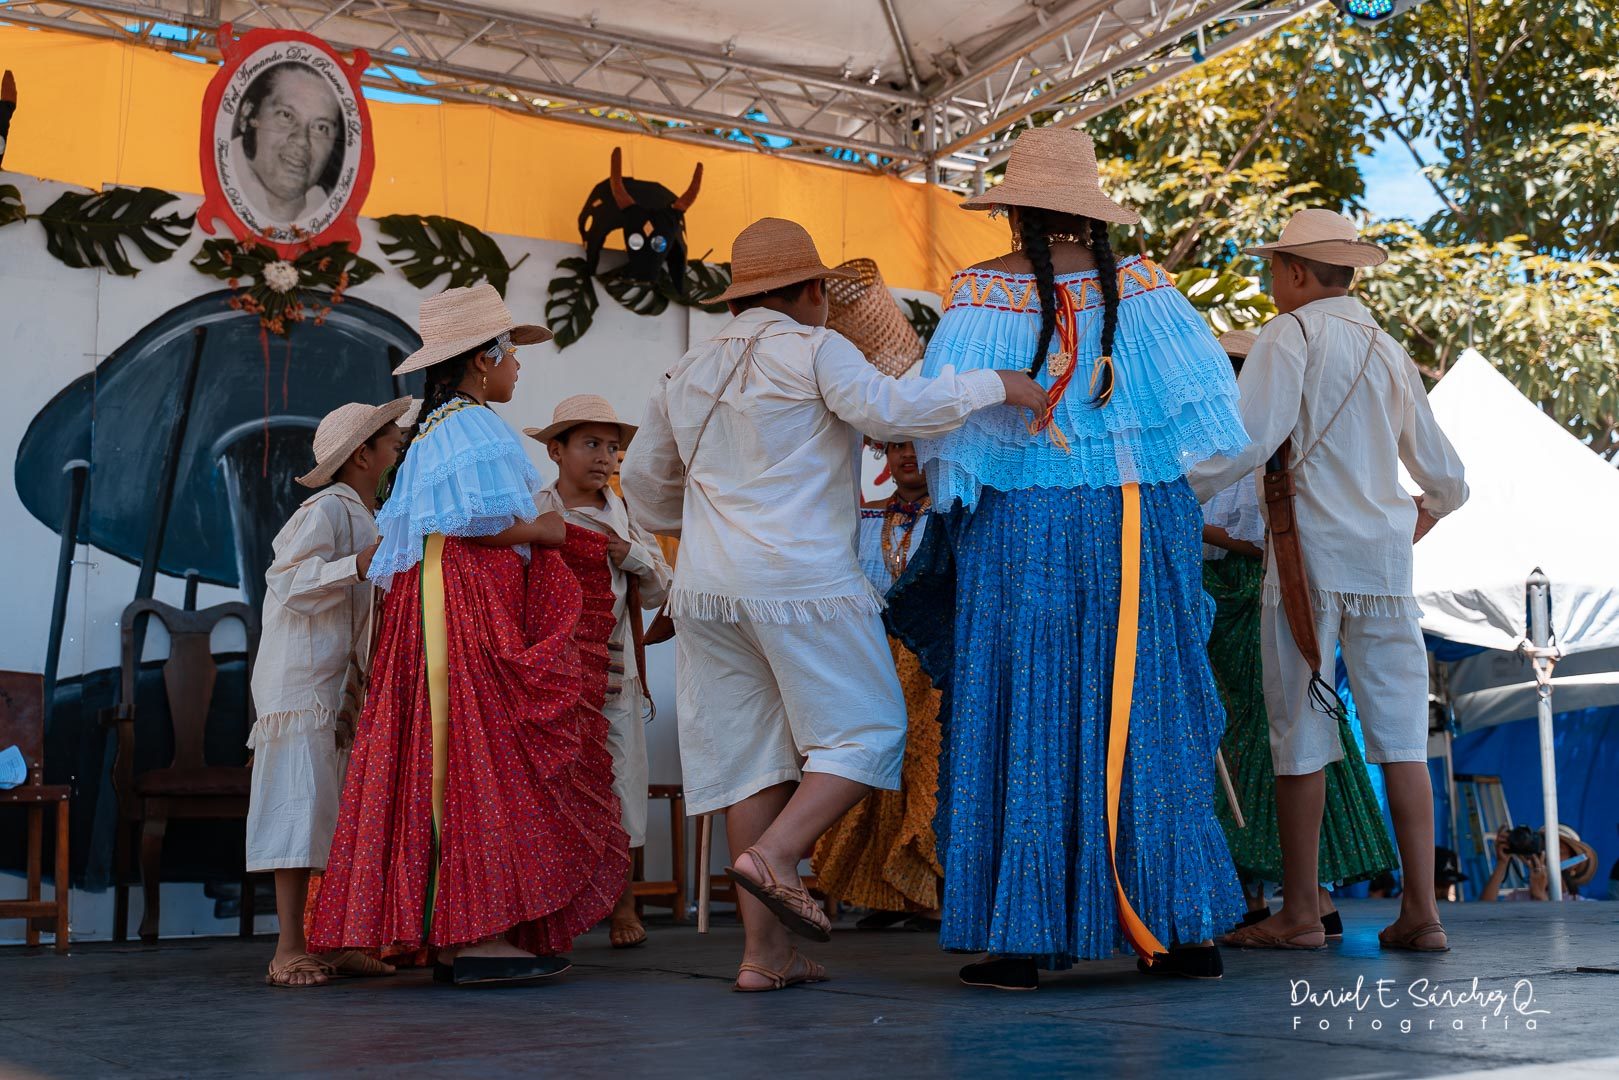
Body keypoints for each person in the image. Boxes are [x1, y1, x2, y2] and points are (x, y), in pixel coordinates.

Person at [620, 217, 1045, 993]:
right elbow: (890, 415)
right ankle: (777, 858)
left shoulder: (682, 371)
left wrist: (721, 519)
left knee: (752, 763)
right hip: (800, 581)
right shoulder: (818, 348)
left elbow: (646, 491)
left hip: (708, 590)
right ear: (812, 292)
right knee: (870, 730)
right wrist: (1000, 385)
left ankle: (763, 958)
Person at [887, 127, 1249, 991]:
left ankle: (1019, 940)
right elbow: (1210, 423)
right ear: (1091, 211)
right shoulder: (1149, 291)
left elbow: (944, 444)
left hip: (1021, 529)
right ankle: (1178, 928)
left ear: (1011, 210)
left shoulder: (980, 297)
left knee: (1024, 709)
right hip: (1137, 518)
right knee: (1150, 708)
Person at [308, 284, 629, 986]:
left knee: (449, 750)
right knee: (474, 749)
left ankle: (457, 931)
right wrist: (546, 529)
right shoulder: (470, 424)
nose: (518, 367)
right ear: (483, 359)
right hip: (462, 597)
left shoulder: (435, 426)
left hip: (440, 594)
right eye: (512, 353)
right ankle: (473, 932)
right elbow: (469, 522)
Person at [1189, 209, 1469, 953]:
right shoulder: (1386, 349)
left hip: (1308, 566)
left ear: (1297, 273)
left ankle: (1301, 913)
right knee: (1402, 739)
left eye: (1275, 265)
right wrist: (1410, 523)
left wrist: (1168, 494)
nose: (1271, 277)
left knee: (1299, 735)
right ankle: (1422, 914)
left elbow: (1244, 444)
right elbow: (1445, 481)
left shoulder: (1291, 334)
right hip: (1383, 568)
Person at [1202, 330, 1397, 937]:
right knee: (1269, 737)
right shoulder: (1244, 434)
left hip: (1253, 589)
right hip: (1237, 596)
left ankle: (1301, 895)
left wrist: (1192, 523)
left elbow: (1256, 535)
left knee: (1267, 738)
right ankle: (1284, 895)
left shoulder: (1250, 437)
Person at [248, 397, 410, 988]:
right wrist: (356, 565)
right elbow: (285, 581)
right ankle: (288, 948)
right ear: (362, 455)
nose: (399, 447)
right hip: (304, 689)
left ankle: (333, 939)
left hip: (342, 690)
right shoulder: (326, 508)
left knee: (334, 816)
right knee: (296, 810)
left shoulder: (369, 514)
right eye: (391, 441)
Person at [528, 395, 673, 950]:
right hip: (554, 673)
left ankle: (624, 903)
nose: (606, 457)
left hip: (614, 671)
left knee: (620, 782)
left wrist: (627, 555)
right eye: (592, 444)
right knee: (555, 785)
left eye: (613, 447)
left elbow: (662, 588)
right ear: (556, 450)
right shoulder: (536, 509)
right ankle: (551, 906)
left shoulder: (625, 513)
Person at [812, 440, 945, 930]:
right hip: (873, 659)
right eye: (896, 448)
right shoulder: (860, 518)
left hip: (936, 666)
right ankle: (889, 894)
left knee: (930, 768)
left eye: (917, 447)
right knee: (875, 770)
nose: (907, 457)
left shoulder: (957, 516)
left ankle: (932, 890)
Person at [230, 62, 343, 225]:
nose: (302, 140)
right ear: (247, 114)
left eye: (320, 127)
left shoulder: (326, 208)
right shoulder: (200, 191)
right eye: (286, 116)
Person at [1480, 826, 1600, 901]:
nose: (1548, 855)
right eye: (1544, 848)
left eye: (1558, 851)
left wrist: (1540, 896)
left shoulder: (1584, 906)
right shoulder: (1516, 899)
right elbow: (1482, 919)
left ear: (1575, 864)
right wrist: (1502, 863)